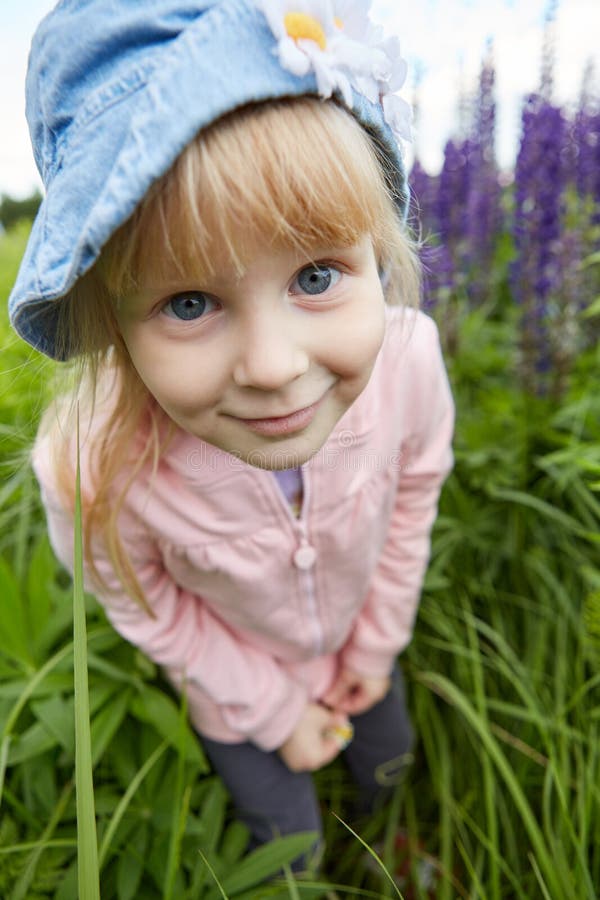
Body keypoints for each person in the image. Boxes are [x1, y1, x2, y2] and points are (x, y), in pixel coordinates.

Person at [9, 0, 454, 874]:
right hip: (234, 685)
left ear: (379, 251)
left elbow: (414, 495)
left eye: (317, 275)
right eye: (188, 303)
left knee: (389, 757)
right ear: (112, 320)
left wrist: (376, 643)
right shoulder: (95, 461)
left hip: (366, 633)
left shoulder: (408, 364)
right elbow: (150, 607)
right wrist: (272, 707)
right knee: (284, 835)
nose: (273, 365)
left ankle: (392, 854)